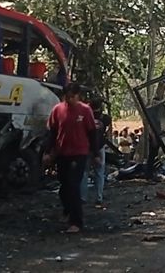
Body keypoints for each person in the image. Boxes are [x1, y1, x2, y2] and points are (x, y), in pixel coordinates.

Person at [43, 83, 96, 233]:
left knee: (74, 185)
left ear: (78, 96)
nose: (70, 100)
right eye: (68, 97)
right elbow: (52, 133)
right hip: (62, 153)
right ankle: (67, 210)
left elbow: (92, 133)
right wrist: (48, 152)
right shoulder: (57, 110)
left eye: (73, 97)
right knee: (64, 186)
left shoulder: (85, 111)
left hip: (79, 153)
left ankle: (76, 221)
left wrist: (95, 154)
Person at [80, 97, 112, 208]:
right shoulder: (105, 119)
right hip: (99, 148)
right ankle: (99, 198)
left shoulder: (85, 117)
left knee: (84, 173)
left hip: (86, 148)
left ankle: (82, 198)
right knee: (99, 173)